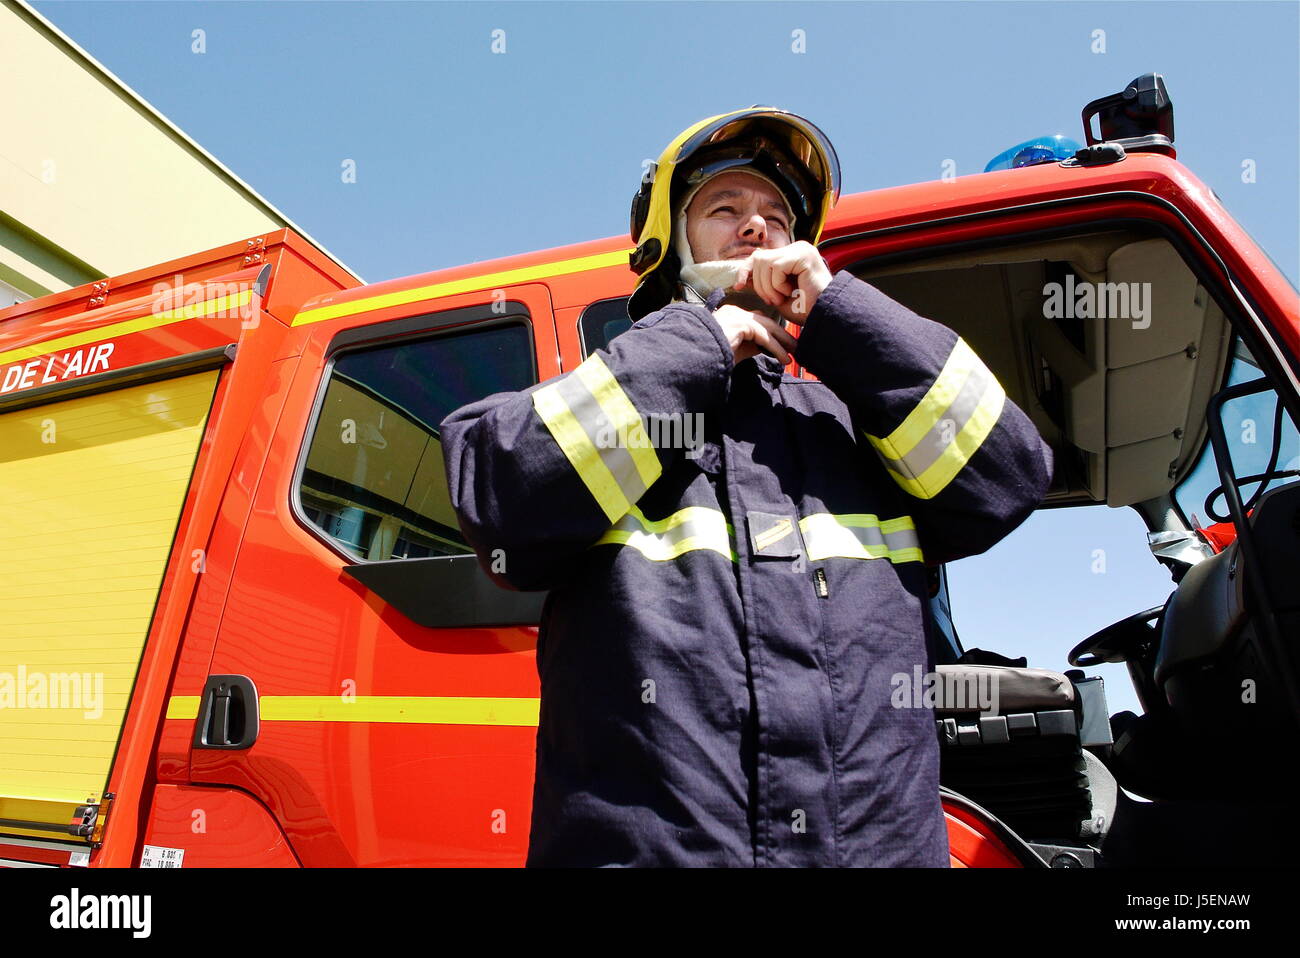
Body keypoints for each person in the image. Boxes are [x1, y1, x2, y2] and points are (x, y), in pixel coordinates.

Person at [440, 107, 1054, 866]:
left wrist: (841, 314)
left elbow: (1010, 474)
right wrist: (703, 339)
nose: (756, 227)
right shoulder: (606, 404)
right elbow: (503, 499)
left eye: (777, 216)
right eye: (724, 209)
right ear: (668, 242)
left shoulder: (857, 427)